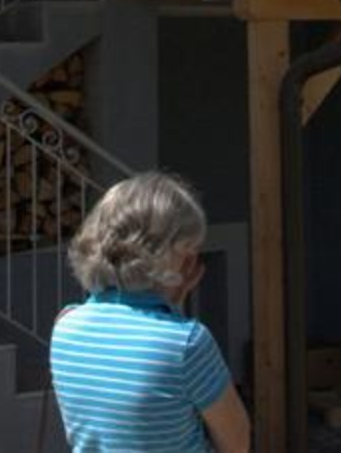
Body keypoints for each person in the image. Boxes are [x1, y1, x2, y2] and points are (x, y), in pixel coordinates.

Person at [50, 172, 250, 453]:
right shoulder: (187, 343)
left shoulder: (65, 326)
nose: (193, 261)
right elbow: (237, 440)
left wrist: (168, 301)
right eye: (189, 251)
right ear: (171, 256)